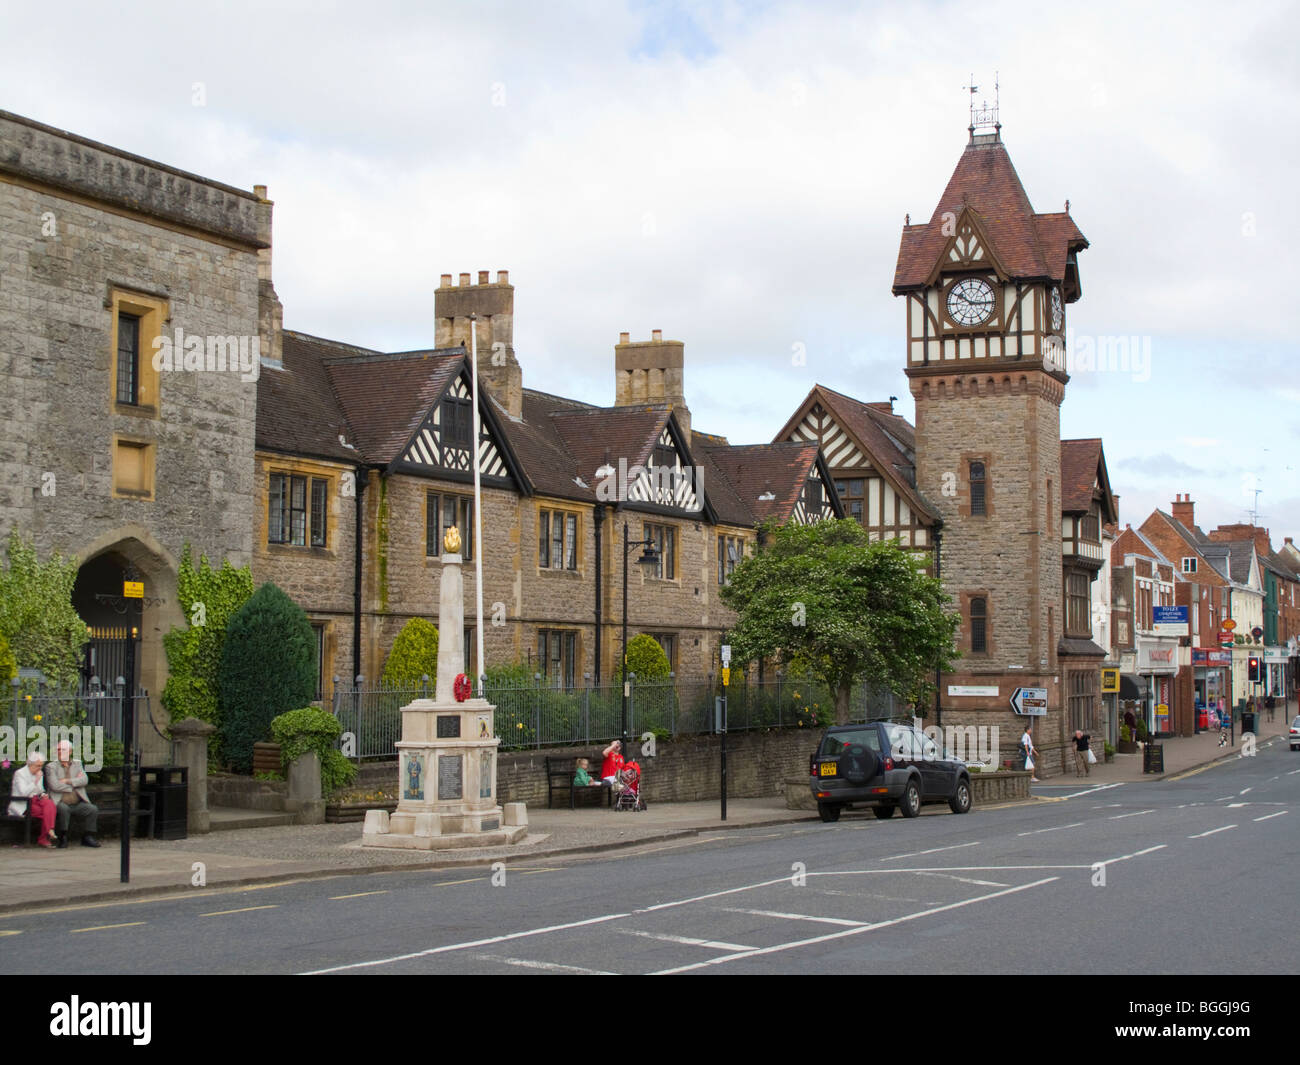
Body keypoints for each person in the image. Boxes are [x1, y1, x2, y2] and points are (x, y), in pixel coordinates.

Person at [45, 739, 100, 848]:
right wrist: (74, 784)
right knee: (64, 809)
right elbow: (54, 785)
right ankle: (63, 837)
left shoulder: (78, 764)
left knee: (92, 809)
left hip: (77, 802)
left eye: (63, 749)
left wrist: (67, 781)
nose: (60, 752)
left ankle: (87, 837)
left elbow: (85, 780)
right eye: (58, 749)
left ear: (70, 751)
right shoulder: (51, 766)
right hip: (60, 801)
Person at [8, 752, 58, 847]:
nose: (40, 768)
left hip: (36, 801)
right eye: (37, 765)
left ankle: (49, 831)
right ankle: (46, 836)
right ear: (30, 764)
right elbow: (23, 793)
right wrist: (35, 781)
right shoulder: (20, 774)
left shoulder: (39, 773)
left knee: (50, 804)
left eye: (41, 766)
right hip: (23, 803)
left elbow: (40, 790)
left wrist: (43, 795)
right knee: (46, 812)